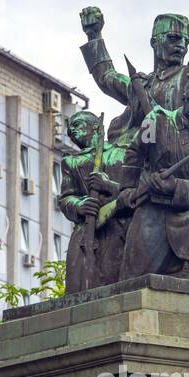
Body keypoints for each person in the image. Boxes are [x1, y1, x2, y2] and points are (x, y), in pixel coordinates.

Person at [118, 63, 189, 281]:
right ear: (185, 97)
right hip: (153, 204)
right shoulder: (156, 120)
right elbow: (135, 152)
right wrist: (128, 189)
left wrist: (175, 186)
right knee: (133, 279)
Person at [79, 7, 189, 139]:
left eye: (185, 41)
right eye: (173, 38)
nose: (181, 45)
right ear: (154, 42)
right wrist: (93, 35)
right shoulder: (142, 84)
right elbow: (106, 77)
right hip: (136, 152)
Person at [59, 110, 129, 292]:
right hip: (87, 228)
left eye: (77, 125)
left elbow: (134, 190)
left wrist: (108, 185)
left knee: (114, 280)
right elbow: (66, 197)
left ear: (96, 127)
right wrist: (80, 205)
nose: (71, 131)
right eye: (69, 129)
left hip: (117, 225)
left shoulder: (121, 154)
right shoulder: (70, 162)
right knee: (79, 284)